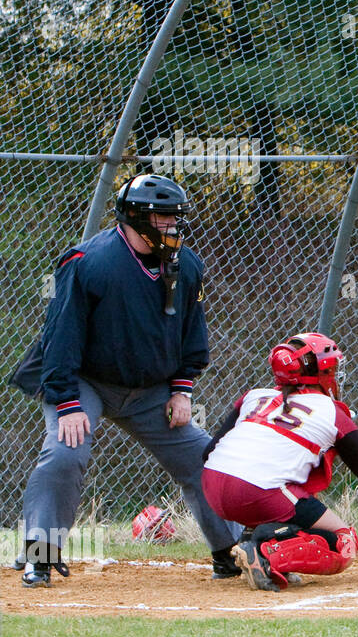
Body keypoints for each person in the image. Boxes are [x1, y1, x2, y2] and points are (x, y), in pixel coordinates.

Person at [12, 174, 244, 587]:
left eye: (175, 218)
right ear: (135, 218)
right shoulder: (89, 263)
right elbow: (60, 339)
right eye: (162, 218)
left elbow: (192, 333)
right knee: (65, 454)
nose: (172, 227)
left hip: (150, 390)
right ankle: (39, 556)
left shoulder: (186, 265)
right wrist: (66, 402)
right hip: (85, 381)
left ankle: (230, 551)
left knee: (205, 459)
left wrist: (182, 389)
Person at [202, 331, 358, 591]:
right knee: (344, 542)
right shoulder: (330, 412)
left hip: (212, 484)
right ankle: (265, 553)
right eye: (332, 370)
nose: (335, 377)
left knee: (292, 488)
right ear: (320, 374)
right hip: (258, 491)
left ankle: (257, 536)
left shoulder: (254, 396)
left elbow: (209, 452)